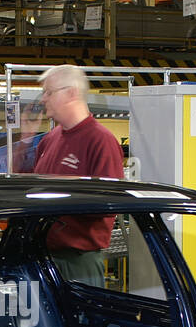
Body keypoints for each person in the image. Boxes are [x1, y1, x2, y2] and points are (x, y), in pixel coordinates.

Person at [16, 64, 124, 287]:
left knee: (80, 323)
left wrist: (61, 195)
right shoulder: (49, 139)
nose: (43, 99)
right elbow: (25, 187)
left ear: (71, 93)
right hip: (43, 257)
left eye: (49, 92)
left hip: (77, 263)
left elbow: (110, 203)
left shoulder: (100, 140)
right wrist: (26, 138)